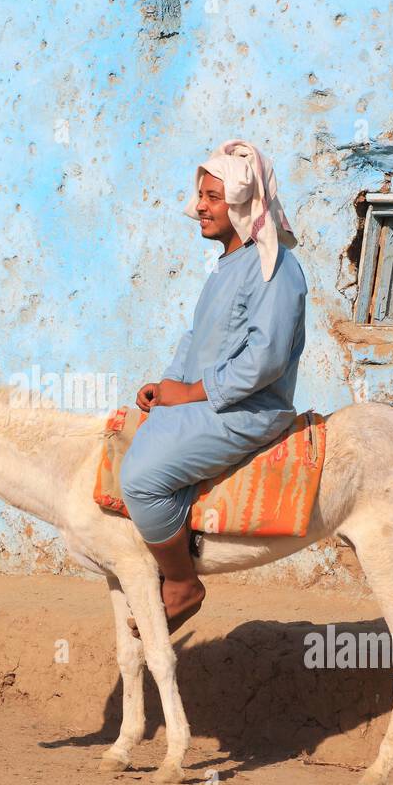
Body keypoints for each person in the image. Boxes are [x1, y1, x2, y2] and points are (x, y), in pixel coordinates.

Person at [121, 140, 307, 634]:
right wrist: (167, 387)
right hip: (209, 402)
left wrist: (191, 393)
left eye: (213, 197)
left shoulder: (276, 268)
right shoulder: (227, 267)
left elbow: (264, 361)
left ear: (243, 205)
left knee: (140, 478)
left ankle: (182, 583)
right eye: (200, 194)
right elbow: (198, 339)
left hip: (249, 409)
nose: (199, 206)